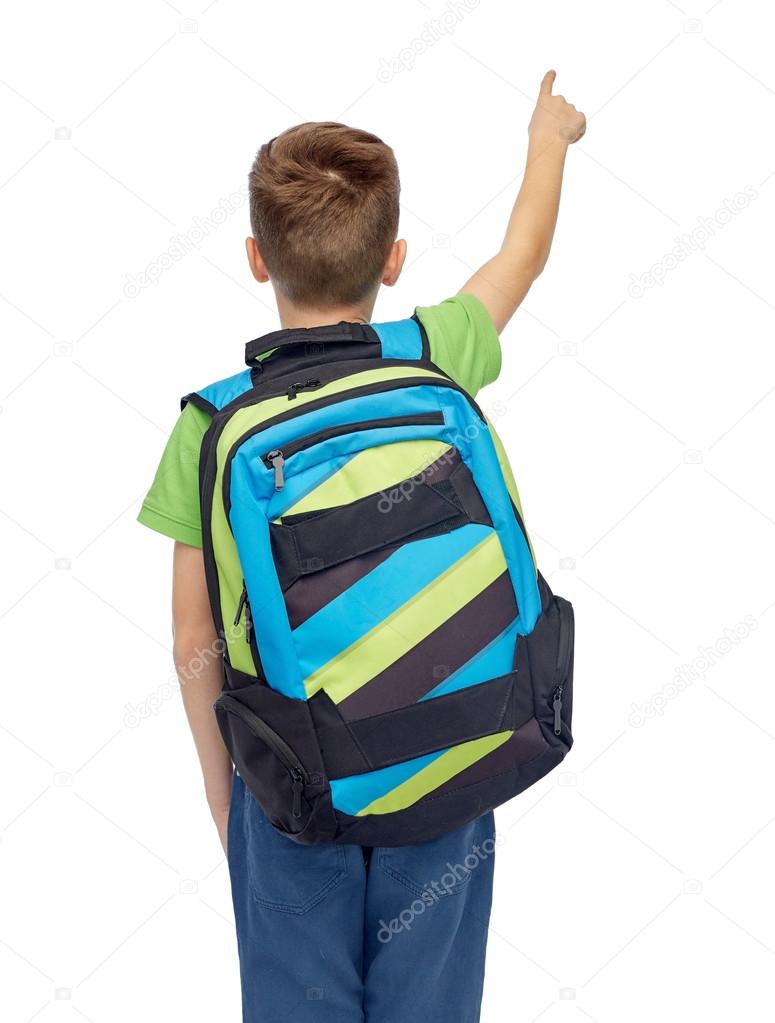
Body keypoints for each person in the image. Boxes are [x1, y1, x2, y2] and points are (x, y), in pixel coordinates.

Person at [139, 69, 584, 1023]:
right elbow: (523, 255)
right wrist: (548, 137)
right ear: (395, 260)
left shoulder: (211, 425)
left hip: (293, 791)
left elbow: (192, 643)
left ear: (257, 259)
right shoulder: (434, 353)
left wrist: (227, 805)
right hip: (451, 753)